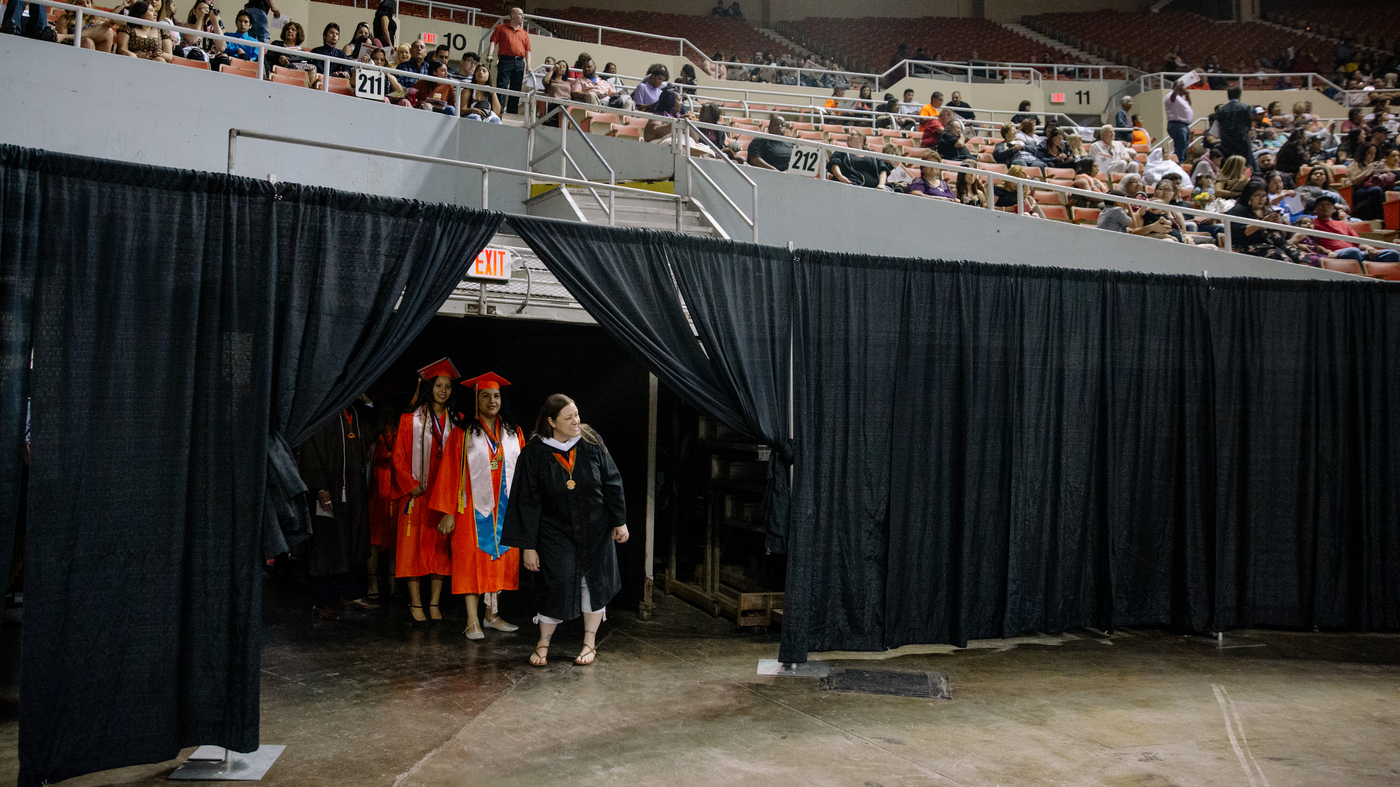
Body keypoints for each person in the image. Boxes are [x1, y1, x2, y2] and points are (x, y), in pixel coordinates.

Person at [502, 394, 627, 668]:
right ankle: (543, 641)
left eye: (577, 415)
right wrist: (528, 546)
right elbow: (526, 501)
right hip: (554, 530)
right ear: (551, 421)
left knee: (593, 583)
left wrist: (620, 521)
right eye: (568, 418)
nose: (576, 422)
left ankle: (589, 642)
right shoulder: (535, 452)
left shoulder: (591, 442)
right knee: (556, 583)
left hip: (595, 528)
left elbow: (612, 481)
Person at [429, 373, 525, 641]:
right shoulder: (463, 433)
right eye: (485, 396)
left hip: (505, 508)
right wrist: (448, 511)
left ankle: (491, 615)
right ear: (476, 400)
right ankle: (472, 620)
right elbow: (449, 473)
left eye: (496, 396)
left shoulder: (513, 432)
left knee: (498, 561)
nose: (492, 401)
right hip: (470, 510)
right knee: (471, 562)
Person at [297, 395, 382, 620]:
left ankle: (352, 594)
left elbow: (370, 435)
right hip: (327, 491)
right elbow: (311, 451)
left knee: (351, 540)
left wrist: (368, 404)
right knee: (325, 545)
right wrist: (320, 487)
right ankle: (321, 601)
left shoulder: (354, 412)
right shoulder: (322, 412)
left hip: (353, 492)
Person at [393, 358, 458, 627]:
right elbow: (398, 458)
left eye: (448, 386)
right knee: (413, 550)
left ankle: (434, 603)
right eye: (439, 385)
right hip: (417, 496)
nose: (444, 390)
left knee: (440, 550)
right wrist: (411, 484)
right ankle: (415, 603)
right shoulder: (410, 420)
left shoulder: (458, 421)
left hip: (442, 498)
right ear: (430, 387)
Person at [1225, 179, 1305, 262]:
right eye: (1257, 195)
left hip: (1278, 244)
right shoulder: (1238, 210)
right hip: (1251, 245)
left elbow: (1284, 234)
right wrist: (1263, 223)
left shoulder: (1268, 209)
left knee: (1302, 256)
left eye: (1263, 196)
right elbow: (1238, 233)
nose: (1261, 199)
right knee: (1280, 257)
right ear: (1248, 196)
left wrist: (1280, 223)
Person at [1310, 194, 1400, 263]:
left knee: (1392, 253)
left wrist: (1368, 247)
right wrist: (1327, 251)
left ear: (1334, 209)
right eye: (1321, 204)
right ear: (1315, 209)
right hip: (1334, 253)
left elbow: (1358, 242)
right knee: (1353, 251)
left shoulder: (1343, 225)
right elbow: (1310, 242)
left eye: (1328, 204)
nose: (1325, 206)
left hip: (1357, 252)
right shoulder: (1311, 223)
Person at [367, 415, 398, 602]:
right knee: (375, 540)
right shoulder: (374, 437)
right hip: (376, 493)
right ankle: (373, 583)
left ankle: (393, 583)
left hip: (394, 492)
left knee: (394, 539)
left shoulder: (400, 434)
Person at [487, 7, 530, 114]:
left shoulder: (524, 33)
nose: (522, 16)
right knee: (502, 86)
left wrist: (529, 65)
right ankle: (498, 111)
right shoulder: (501, 28)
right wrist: (489, 54)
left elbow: (528, 50)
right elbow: (493, 41)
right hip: (505, 60)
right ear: (512, 15)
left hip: (519, 61)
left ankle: (512, 112)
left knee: (516, 88)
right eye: (520, 14)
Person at [827, 131, 892, 190]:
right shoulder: (841, 152)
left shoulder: (873, 155)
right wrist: (840, 177)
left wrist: (881, 184)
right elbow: (834, 164)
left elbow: (883, 170)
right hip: (850, 186)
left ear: (860, 139)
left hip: (874, 189)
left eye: (852, 134)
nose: (848, 136)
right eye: (848, 134)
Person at [1347, 143, 1392, 221]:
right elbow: (1354, 181)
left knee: (1395, 189)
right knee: (1376, 190)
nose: (1372, 156)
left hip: (1372, 186)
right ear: (1363, 152)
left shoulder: (1375, 164)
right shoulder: (1355, 164)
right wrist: (1369, 170)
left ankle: (1390, 218)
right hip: (1357, 189)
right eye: (1369, 153)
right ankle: (1374, 217)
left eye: (1374, 153)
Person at [1216, 86, 1256, 169]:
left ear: (1228, 96)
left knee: (1229, 163)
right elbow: (1248, 123)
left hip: (1226, 140)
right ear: (1239, 95)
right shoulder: (1245, 107)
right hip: (1241, 139)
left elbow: (1220, 125)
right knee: (1245, 163)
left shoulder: (1221, 110)